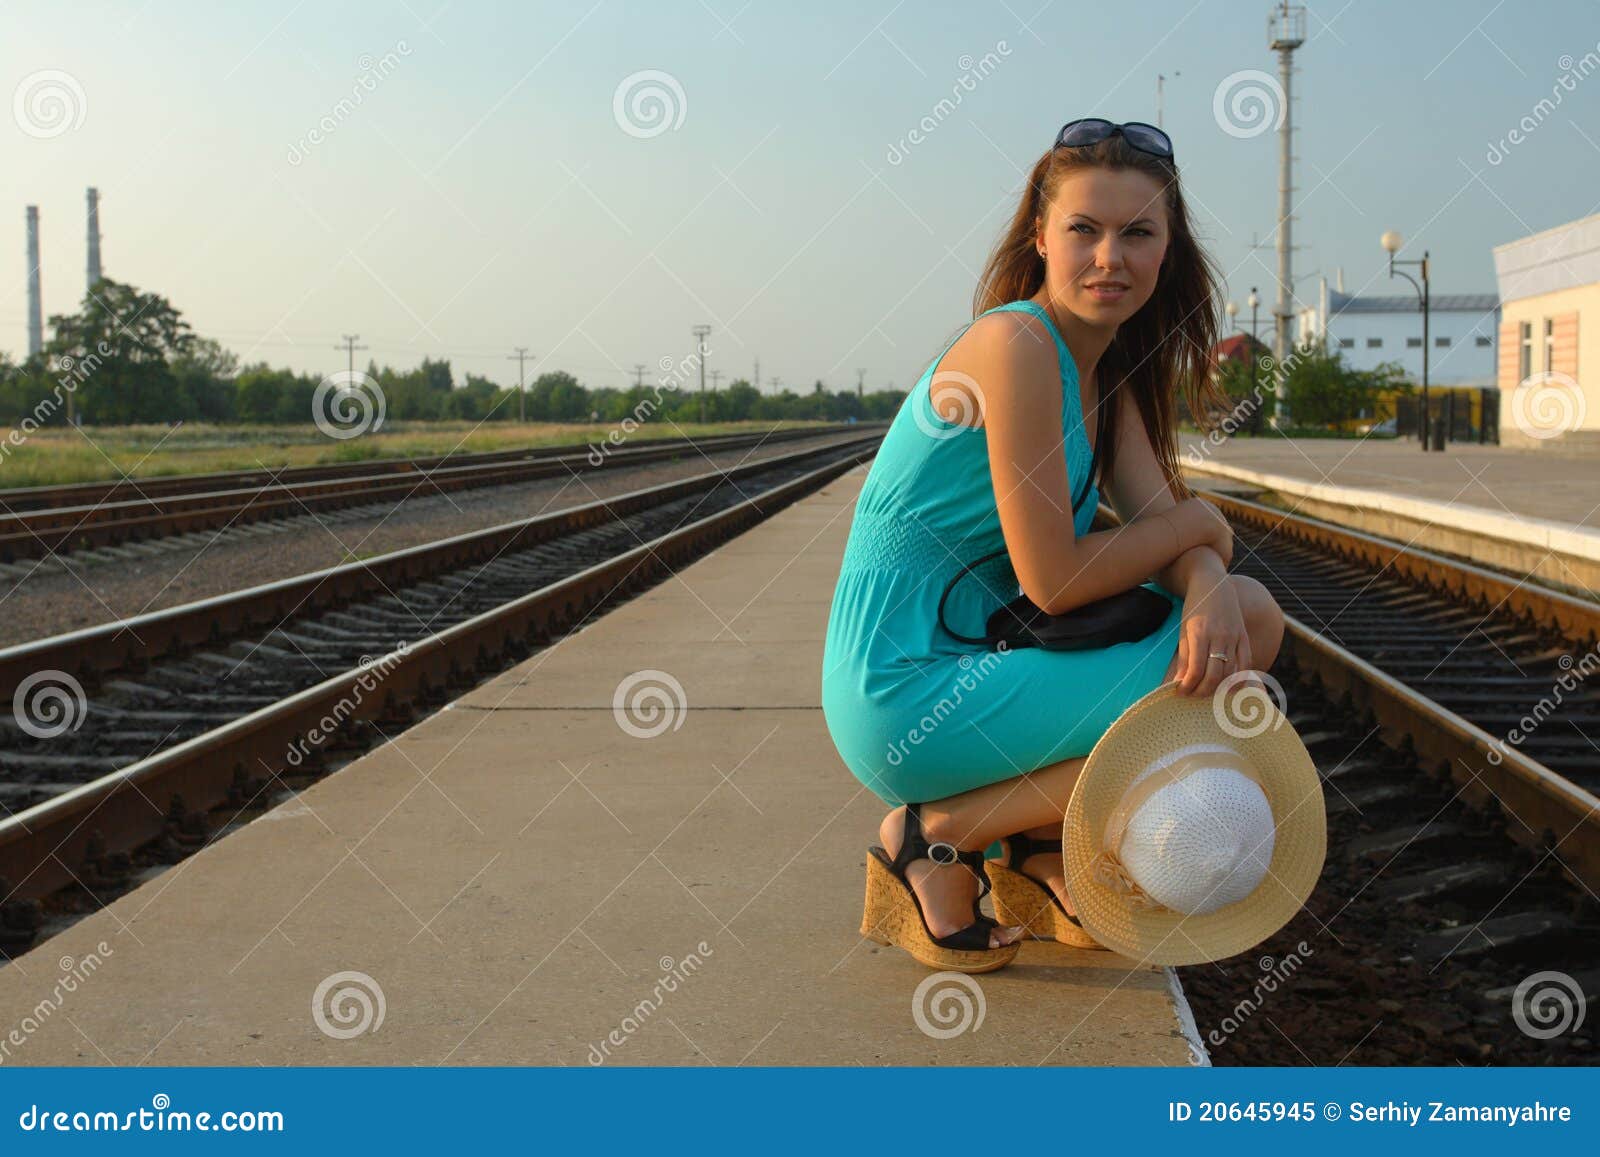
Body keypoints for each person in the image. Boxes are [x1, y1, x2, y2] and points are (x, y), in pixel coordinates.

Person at [820, 119, 1286, 972]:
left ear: (1168, 249)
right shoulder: (1018, 345)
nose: (1110, 256)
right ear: (1041, 238)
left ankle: (1034, 852)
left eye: (1138, 233)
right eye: (1085, 230)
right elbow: (1058, 579)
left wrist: (1208, 569)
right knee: (1239, 653)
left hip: (973, 659)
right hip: (901, 686)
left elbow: (1162, 523)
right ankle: (933, 838)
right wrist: (1204, 531)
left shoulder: (1104, 380)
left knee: (1234, 619)